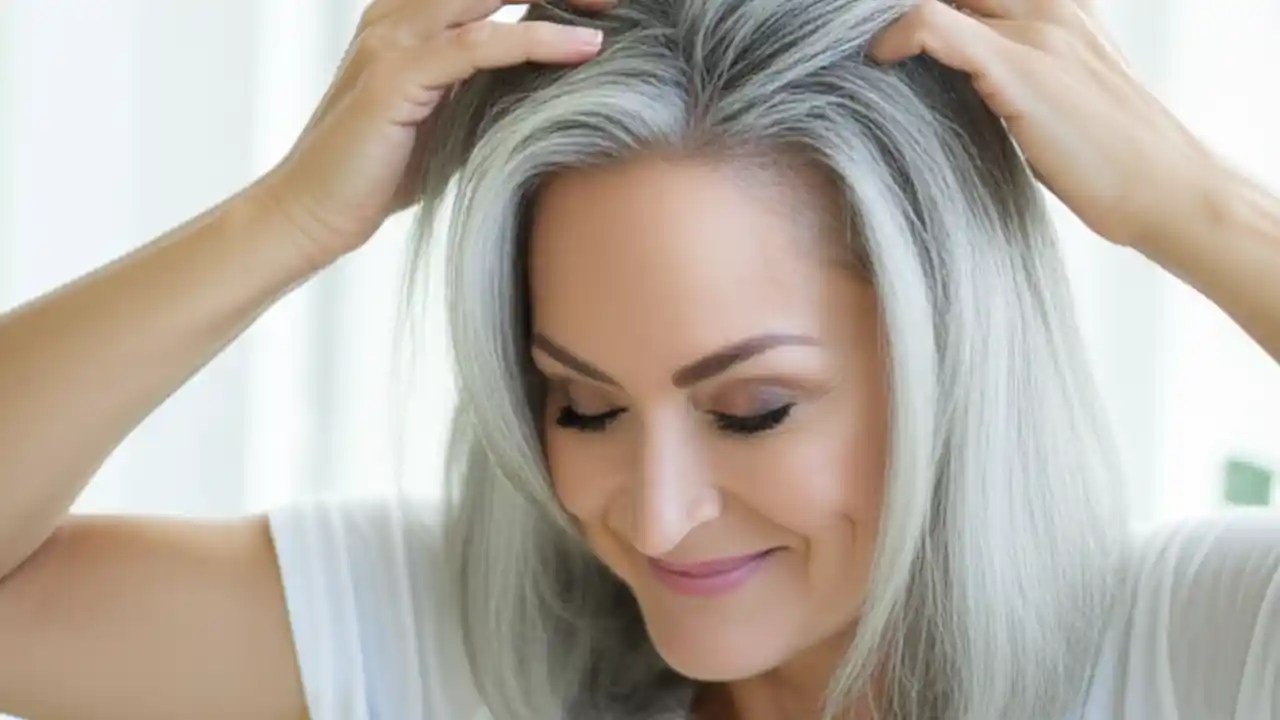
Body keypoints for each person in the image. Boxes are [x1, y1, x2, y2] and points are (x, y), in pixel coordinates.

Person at [1, 0, 1278, 718]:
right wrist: (282, 218)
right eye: (583, 404)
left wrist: (1201, 212)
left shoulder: (1194, 657)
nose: (656, 516)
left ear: (957, 359)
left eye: (753, 408)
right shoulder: (459, 650)